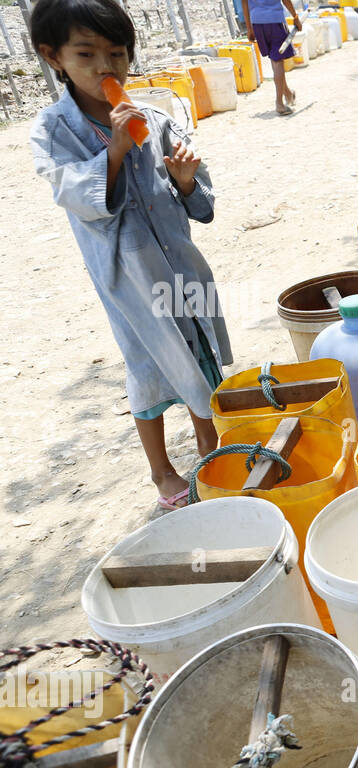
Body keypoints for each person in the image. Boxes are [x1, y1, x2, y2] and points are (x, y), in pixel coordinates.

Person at [30, 0, 232, 511]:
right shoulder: (54, 131)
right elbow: (75, 194)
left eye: (117, 54)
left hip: (180, 260)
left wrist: (187, 182)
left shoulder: (157, 118)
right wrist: (115, 151)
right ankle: (162, 472)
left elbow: (197, 196)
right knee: (148, 361)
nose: (106, 68)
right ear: (53, 57)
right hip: (130, 273)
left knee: (200, 348)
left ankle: (211, 444)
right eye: (86, 54)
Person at [242, 0, 300, 115]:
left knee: (274, 59)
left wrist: (249, 28)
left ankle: (288, 94)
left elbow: (244, 3)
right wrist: (295, 16)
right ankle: (279, 103)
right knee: (277, 61)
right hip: (275, 20)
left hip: (257, 23)